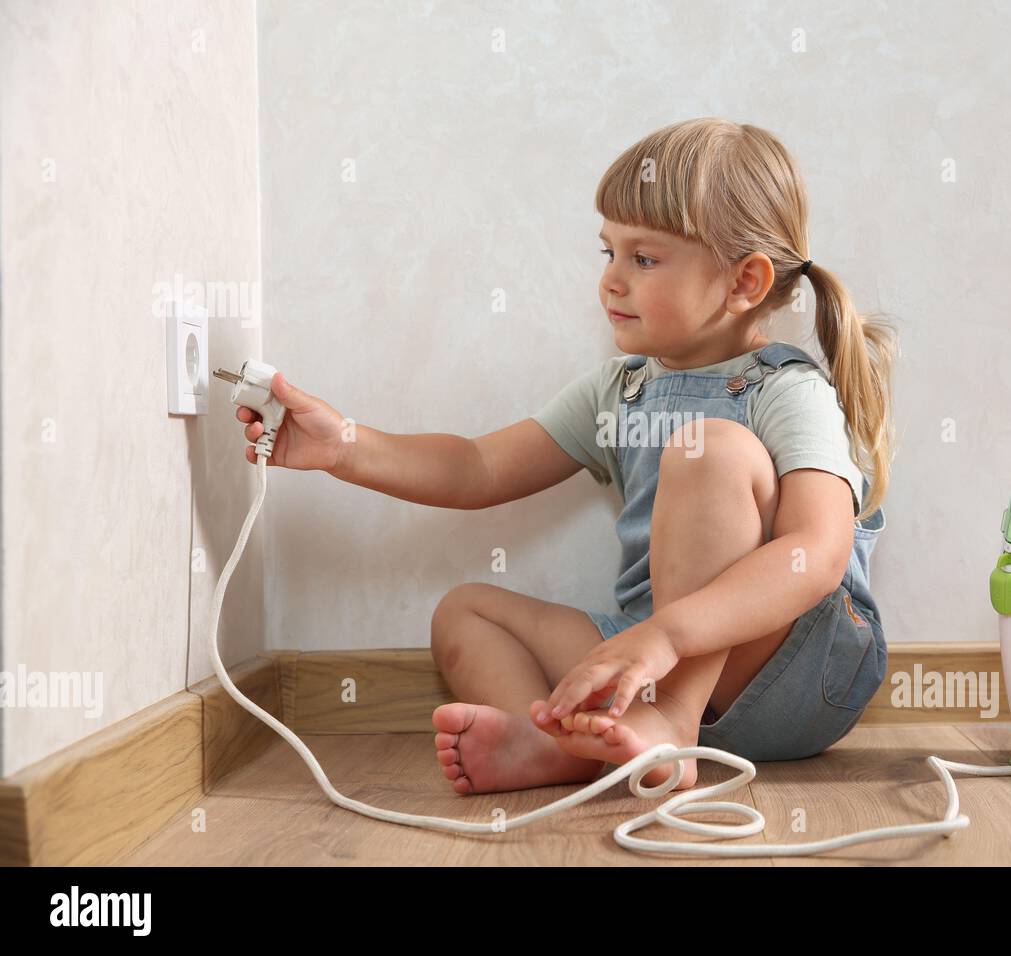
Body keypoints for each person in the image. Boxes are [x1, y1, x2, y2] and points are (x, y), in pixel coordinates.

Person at [236, 117, 897, 796]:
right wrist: (343, 445)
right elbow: (478, 466)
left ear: (744, 283)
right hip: (650, 671)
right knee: (466, 612)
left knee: (711, 449)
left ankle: (673, 721)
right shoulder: (622, 389)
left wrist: (670, 637)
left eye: (643, 259)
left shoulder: (786, 390)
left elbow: (814, 555)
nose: (611, 280)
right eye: (608, 252)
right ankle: (557, 742)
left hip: (792, 675)